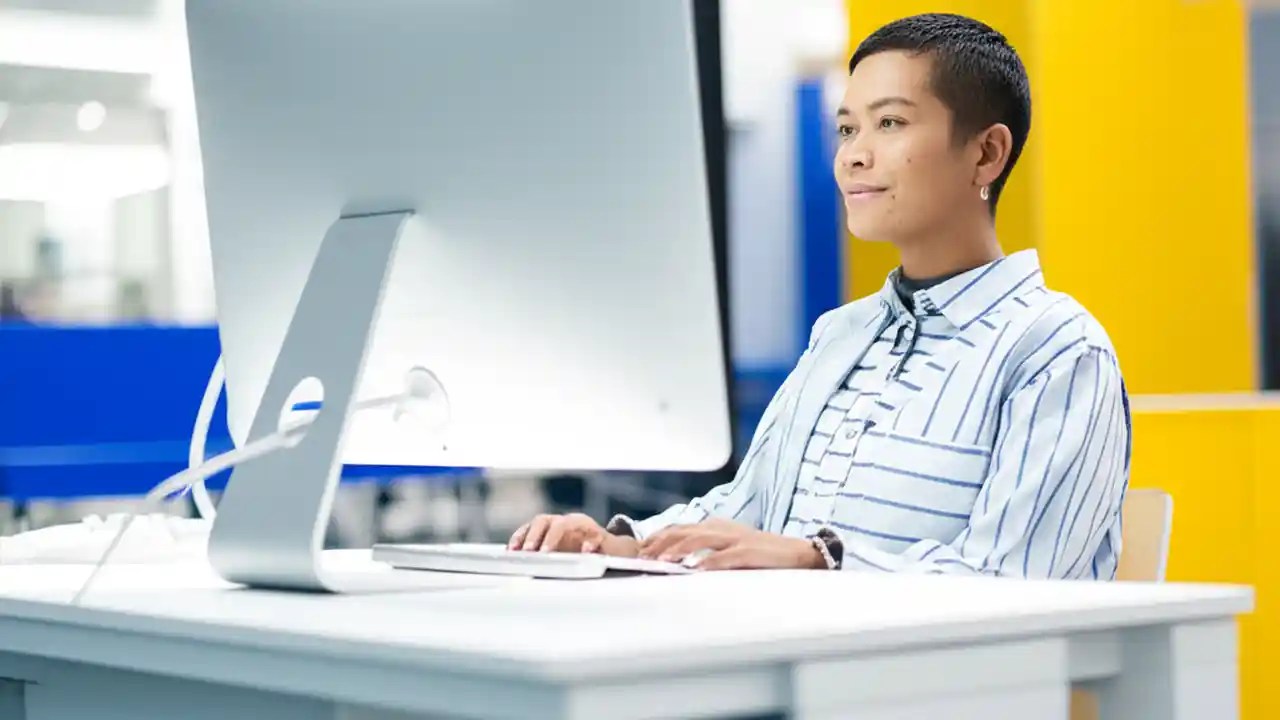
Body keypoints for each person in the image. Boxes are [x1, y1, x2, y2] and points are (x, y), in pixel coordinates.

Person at [509, 13, 1130, 579]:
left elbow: (1021, 582)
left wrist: (819, 559)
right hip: (789, 666)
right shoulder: (842, 334)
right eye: (846, 127)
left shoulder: (1057, 352)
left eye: (889, 123)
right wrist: (619, 545)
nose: (854, 156)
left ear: (986, 154)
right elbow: (743, 507)